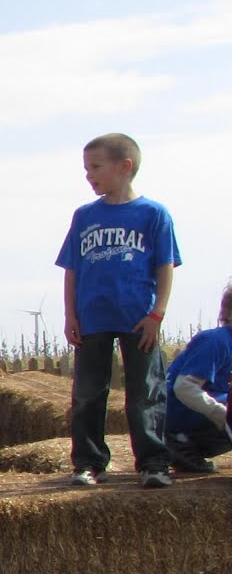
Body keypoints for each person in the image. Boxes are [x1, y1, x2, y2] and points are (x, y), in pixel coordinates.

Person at [57, 133, 180, 489]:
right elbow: (72, 269)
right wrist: (70, 315)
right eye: (86, 168)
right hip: (92, 317)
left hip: (139, 317)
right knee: (87, 394)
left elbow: (165, 266)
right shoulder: (84, 216)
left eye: (95, 167)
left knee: (145, 394)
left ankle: (153, 463)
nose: (88, 175)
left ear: (124, 167)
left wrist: (157, 314)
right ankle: (89, 463)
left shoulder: (154, 214)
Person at [163, 283, 232, 474]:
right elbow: (184, 387)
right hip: (177, 414)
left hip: (197, 416)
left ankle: (187, 449)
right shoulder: (216, 341)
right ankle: (177, 442)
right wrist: (222, 415)